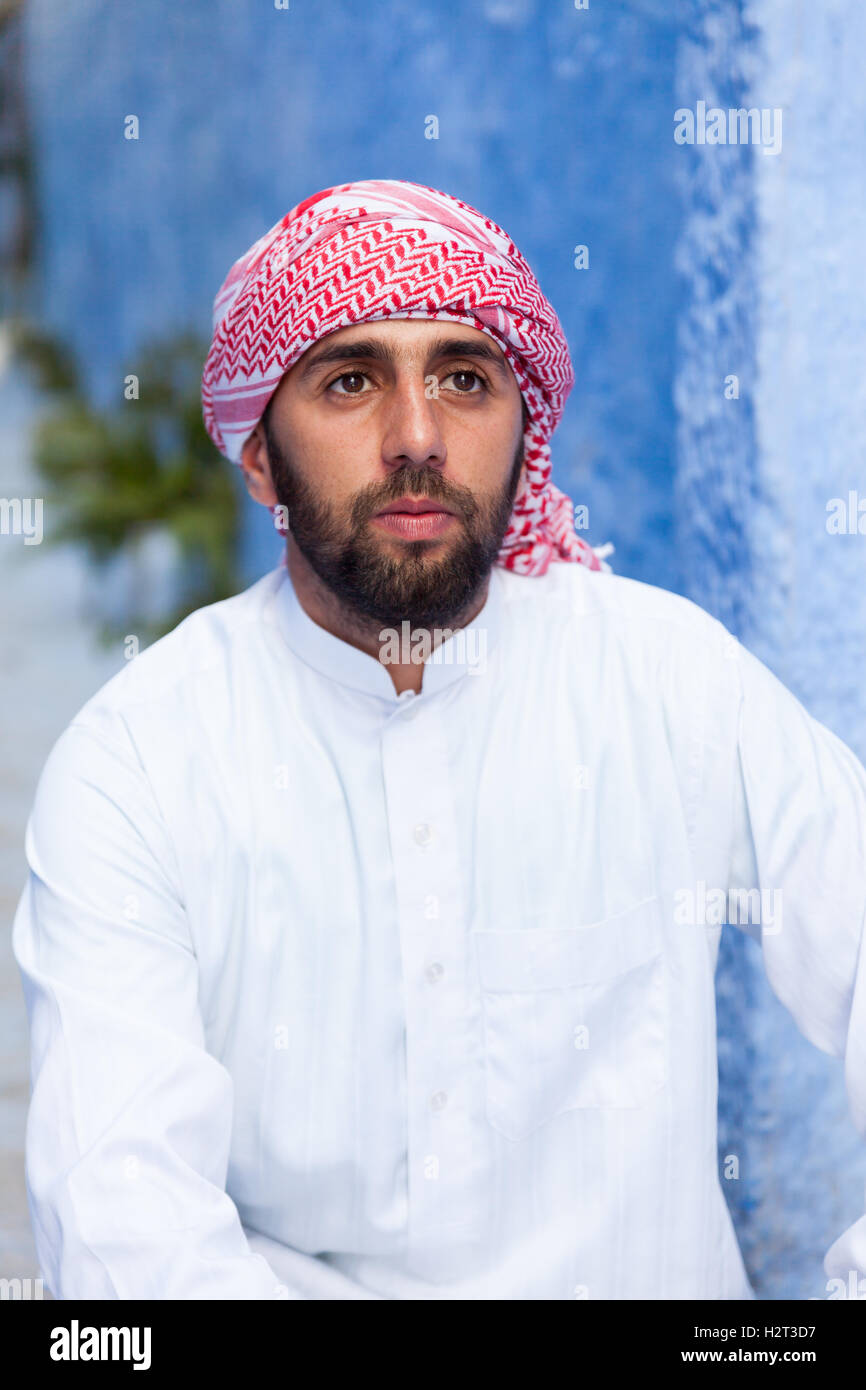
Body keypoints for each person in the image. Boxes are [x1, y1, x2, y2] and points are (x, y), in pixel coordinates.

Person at [13, 179, 866, 1300]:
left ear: (521, 421)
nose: (416, 439)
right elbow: (120, 1217)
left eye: (463, 379)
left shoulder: (667, 683)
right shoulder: (141, 763)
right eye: (352, 379)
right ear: (259, 454)